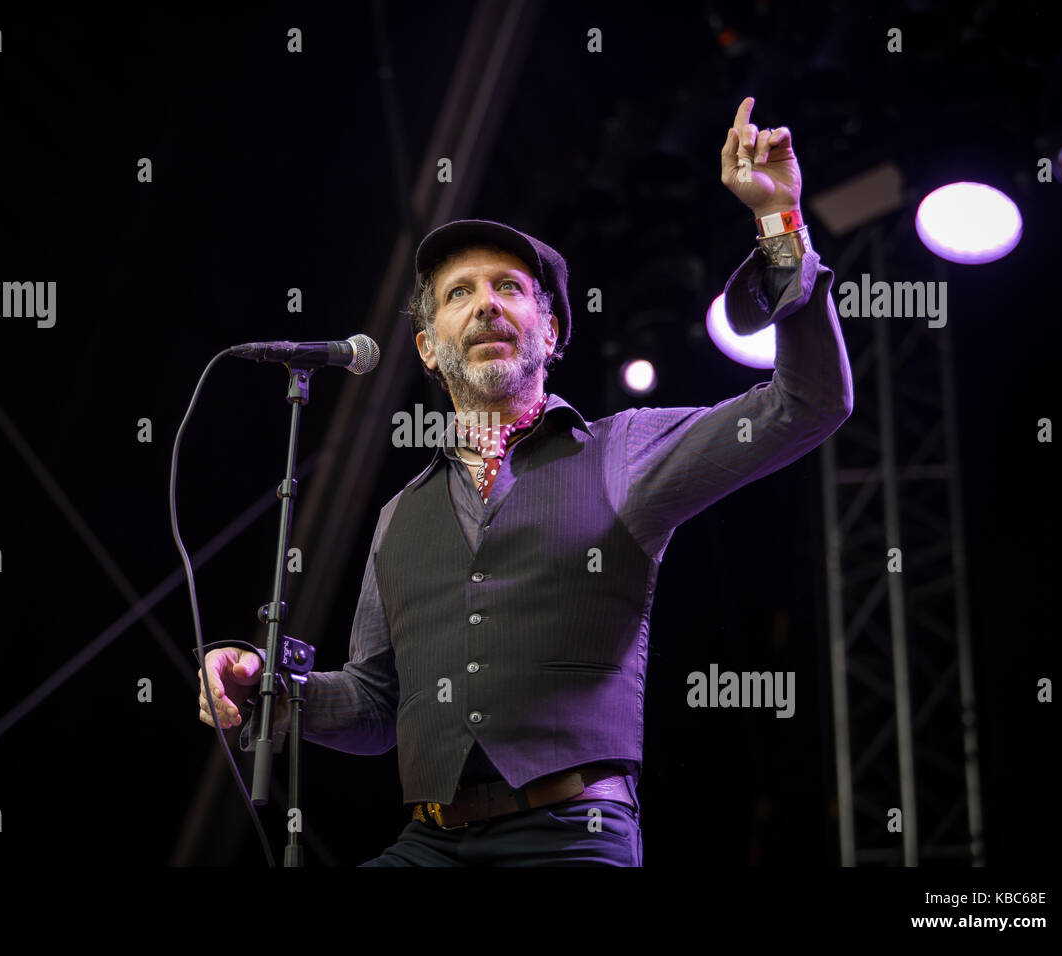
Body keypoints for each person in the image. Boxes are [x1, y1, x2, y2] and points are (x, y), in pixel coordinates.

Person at [197, 97, 853, 865]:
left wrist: (779, 226)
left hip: (573, 837)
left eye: (509, 288)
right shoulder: (397, 518)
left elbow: (807, 404)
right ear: (428, 349)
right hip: (429, 843)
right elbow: (377, 707)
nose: (484, 306)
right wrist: (270, 689)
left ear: (551, 331)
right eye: (458, 294)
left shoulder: (624, 451)